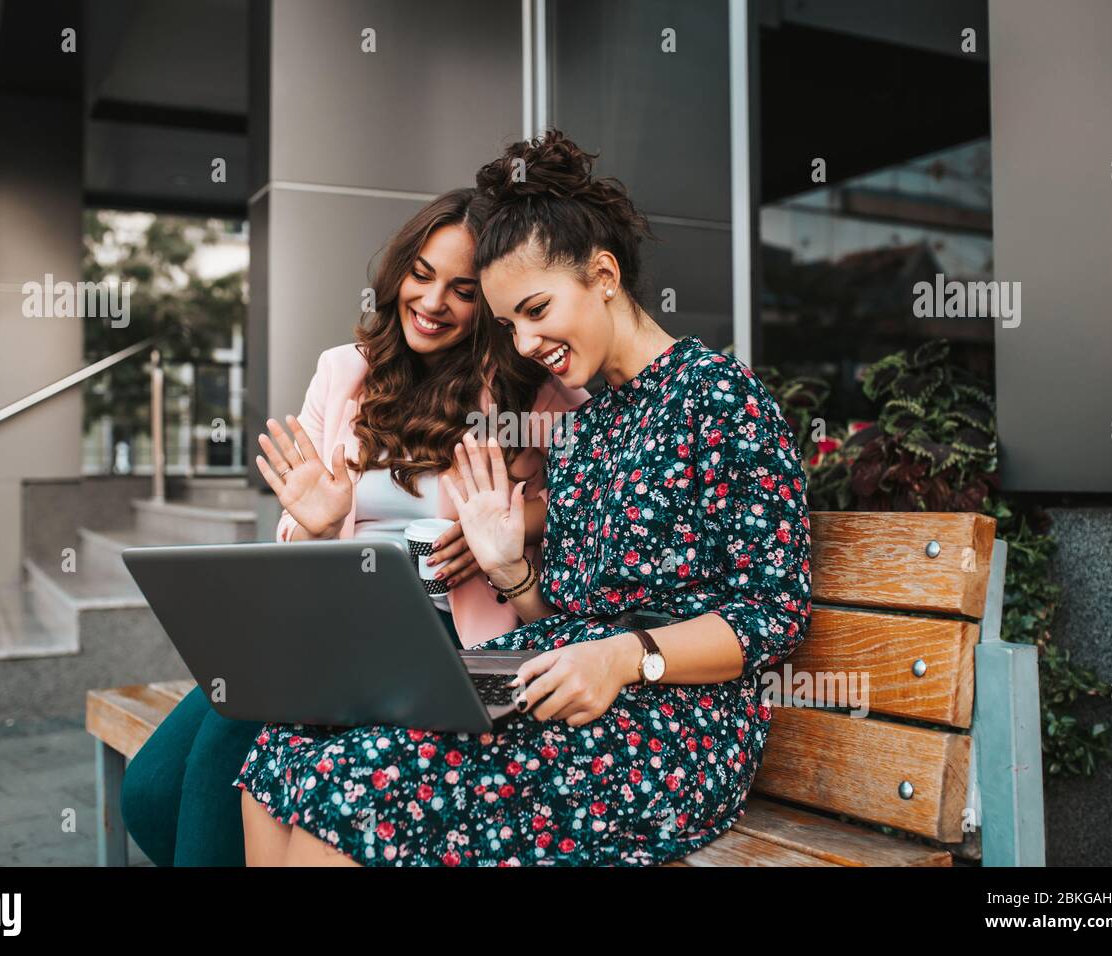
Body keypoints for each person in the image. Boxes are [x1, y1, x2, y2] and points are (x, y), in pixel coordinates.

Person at [235, 130, 813, 867]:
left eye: (538, 309)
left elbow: (773, 615)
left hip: (674, 729)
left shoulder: (721, 398)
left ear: (603, 275)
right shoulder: (588, 424)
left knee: (354, 785)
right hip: (561, 692)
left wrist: (627, 658)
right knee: (282, 754)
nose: (528, 340)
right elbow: (563, 625)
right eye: (509, 324)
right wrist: (510, 568)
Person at [119, 187, 586, 866]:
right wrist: (316, 525)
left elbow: (593, 493)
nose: (431, 302)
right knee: (150, 793)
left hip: (442, 635)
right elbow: (299, 536)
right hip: (326, 617)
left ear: (489, 300)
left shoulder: (527, 390)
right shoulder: (344, 373)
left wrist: (519, 521)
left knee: (231, 749)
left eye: (460, 289)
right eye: (421, 275)